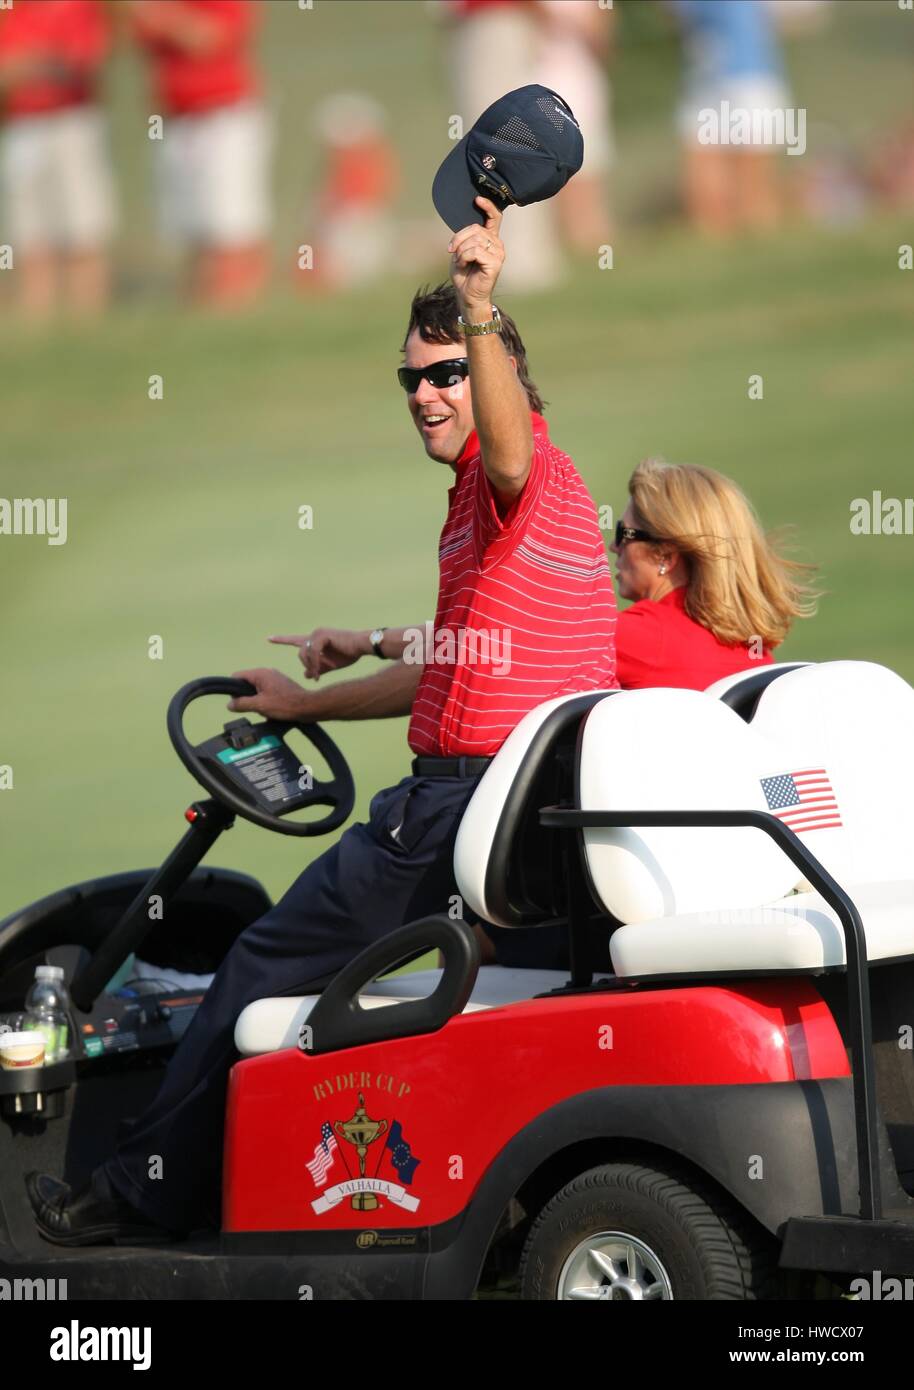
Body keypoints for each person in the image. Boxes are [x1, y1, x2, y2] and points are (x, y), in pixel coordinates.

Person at [28, 193, 618, 1245]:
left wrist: (479, 304)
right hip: (511, 811)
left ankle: (139, 1193)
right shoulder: (510, 515)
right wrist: (312, 700)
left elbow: (506, 448)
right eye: (410, 378)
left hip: (455, 812)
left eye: (445, 375)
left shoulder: (513, 475)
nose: (424, 396)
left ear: (501, 380)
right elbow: (451, 669)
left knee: (257, 960)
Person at [610, 458, 818, 690]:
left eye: (623, 534)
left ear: (665, 555)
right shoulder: (755, 650)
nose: (613, 546)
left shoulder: (635, 637)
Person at [130, 0, 271, 307]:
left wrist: (163, 17)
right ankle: (201, 306)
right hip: (175, 119)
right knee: (193, 229)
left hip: (223, 116)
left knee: (231, 226)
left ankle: (237, 306)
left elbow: (208, 38)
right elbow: (137, 33)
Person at [0, 0, 117, 319]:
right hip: (22, 126)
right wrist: (31, 65)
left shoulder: (78, 6)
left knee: (82, 233)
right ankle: (37, 324)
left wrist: (26, 64)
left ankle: (87, 322)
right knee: (29, 238)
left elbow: (78, 65)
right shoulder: (11, 9)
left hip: (71, 124)